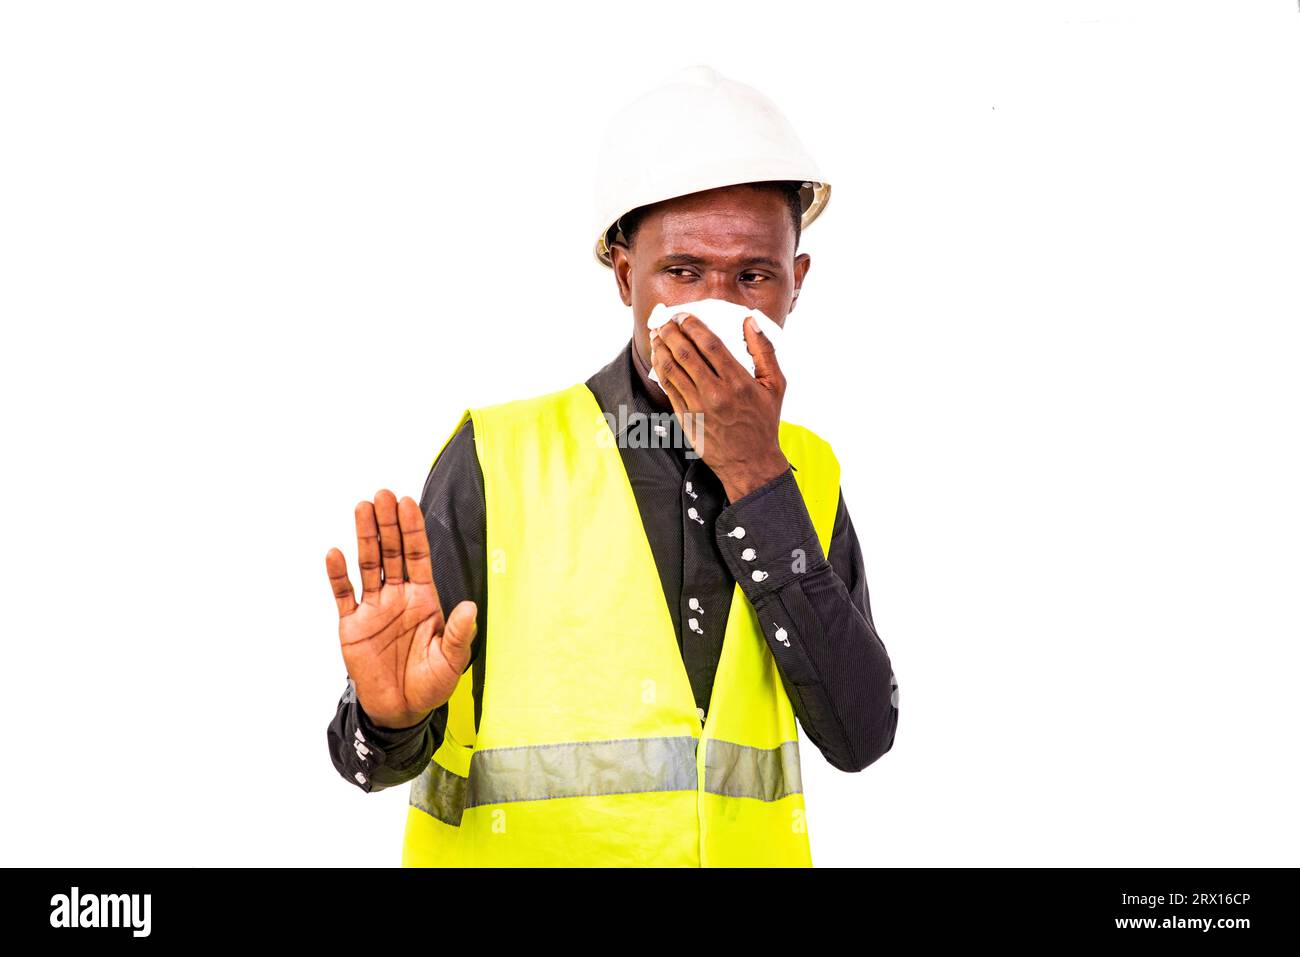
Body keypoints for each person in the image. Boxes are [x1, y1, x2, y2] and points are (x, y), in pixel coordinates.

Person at [324, 65, 898, 867]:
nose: (719, 304)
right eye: (684, 271)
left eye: (754, 275)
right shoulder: (497, 458)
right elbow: (382, 752)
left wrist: (759, 482)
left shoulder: (807, 470)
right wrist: (385, 721)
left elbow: (862, 734)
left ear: (796, 285)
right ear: (627, 275)